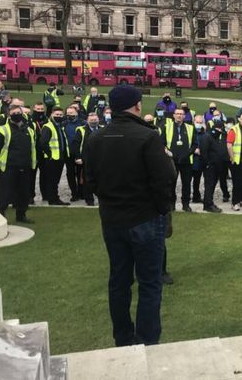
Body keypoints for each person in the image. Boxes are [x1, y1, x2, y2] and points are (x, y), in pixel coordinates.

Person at [84, 84, 175, 347]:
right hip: (144, 218)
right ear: (137, 105)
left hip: (113, 219)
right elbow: (164, 179)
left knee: (119, 280)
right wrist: (160, 210)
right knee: (149, 283)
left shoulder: (95, 139)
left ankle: (123, 338)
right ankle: (146, 340)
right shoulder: (148, 137)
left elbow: (90, 182)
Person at [0, 104, 37, 223]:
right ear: (8, 115)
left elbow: (32, 147)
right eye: (14, 113)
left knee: (23, 193)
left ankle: (21, 215)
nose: (17, 115)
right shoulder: (2, 130)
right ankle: (0, 216)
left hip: (25, 167)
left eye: (19, 113)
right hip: (8, 167)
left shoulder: (29, 130)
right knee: (3, 193)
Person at [161, 108, 196, 212]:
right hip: (172, 160)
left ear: (184, 116)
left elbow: (195, 144)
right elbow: (161, 143)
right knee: (171, 183)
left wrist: (188, 153)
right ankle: (172, 203)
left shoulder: (190, 128)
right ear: (174, 115)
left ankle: (186, 204)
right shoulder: (167, 127)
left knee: (186, 183)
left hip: (186, 161)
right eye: (177, 114)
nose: (179, 116)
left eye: (181, 114)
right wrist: (168, 152)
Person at [40, 107, 70, 206]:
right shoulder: (48, 126)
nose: (59, 116)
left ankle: (54, 197)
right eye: (57, 115)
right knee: (51, 180)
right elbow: (43, 143)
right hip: (52, 158)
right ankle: (52, 199)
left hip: (59, 158)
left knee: (55, 180)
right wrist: (50, 155)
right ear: (52, 115)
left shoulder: (59, 126)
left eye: (61, 115)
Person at [71, 112, 102, 206]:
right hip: (86, 160)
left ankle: (101, 198)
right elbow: (76, 145)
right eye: (91, 120)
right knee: (87, 180)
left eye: (95, 120)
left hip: (100, 159)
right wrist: (78, 157)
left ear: (98, 120)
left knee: (101, 180)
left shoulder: (103, 129)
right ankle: (89, 200)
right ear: (87, 121)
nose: (93, 121)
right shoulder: (81, 130)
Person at [199, 119, 227, 213]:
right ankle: (208, 205)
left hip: (215, 166)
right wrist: (207, 164)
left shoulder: (213, 137)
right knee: (209, 186)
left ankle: (208, 203)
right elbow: (204, 152)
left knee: (211, 186)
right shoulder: (207, 137)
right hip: (210, 167)